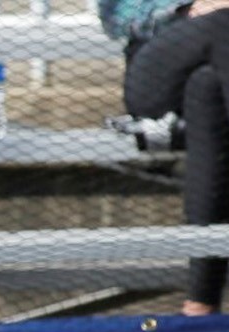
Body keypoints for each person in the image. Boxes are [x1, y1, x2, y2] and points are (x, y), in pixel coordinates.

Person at [98, 0, 229, 315]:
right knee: (225, 23)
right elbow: (116, 16)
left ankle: (200, 303)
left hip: (215, 80)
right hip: (157, 77)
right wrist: (187, 8)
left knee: (206, 87)